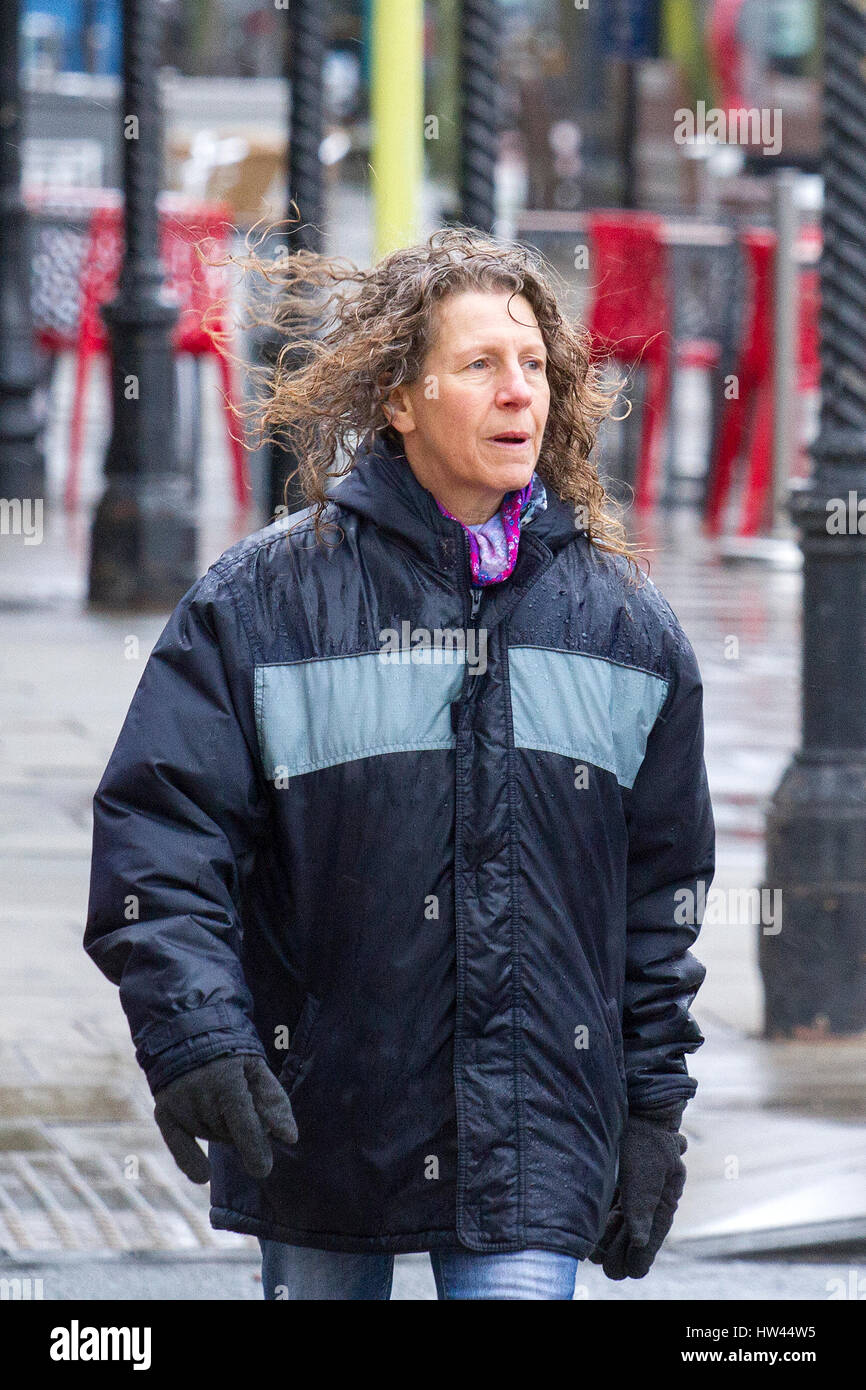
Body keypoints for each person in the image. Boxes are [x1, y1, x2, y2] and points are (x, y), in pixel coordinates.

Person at [84, 228, 714, 1301]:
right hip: (322, 1129)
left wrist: (652, 1108)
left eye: (533, 366)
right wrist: (196, 1036)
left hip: (536, 1136)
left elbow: (659, 897)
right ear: (398, 399)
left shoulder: (626, 629)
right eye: (477, 365)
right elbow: (161, 837)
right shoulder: (262, 605)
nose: (518, 392)